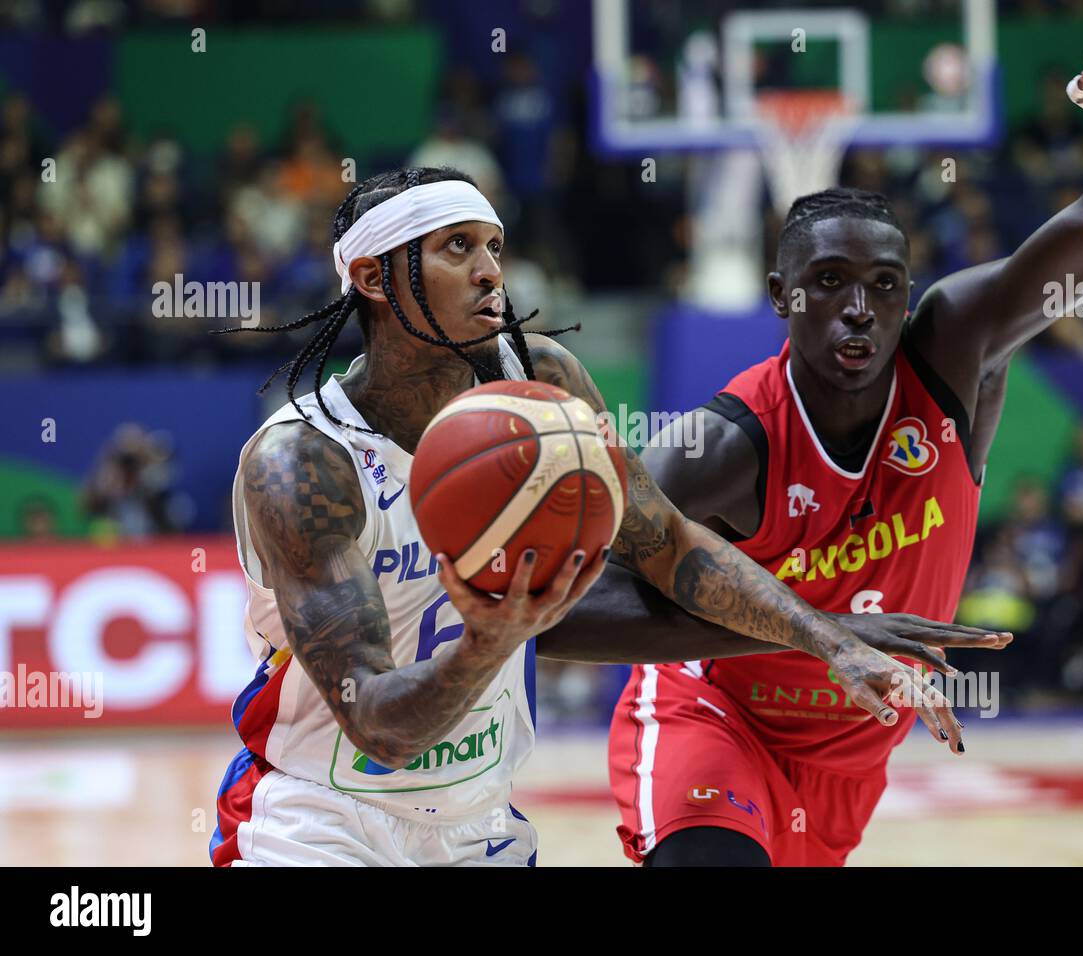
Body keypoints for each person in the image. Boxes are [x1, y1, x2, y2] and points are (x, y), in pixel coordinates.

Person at [208, 166, 994, 867]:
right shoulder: (305, 463)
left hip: (478, 826)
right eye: (456, 249)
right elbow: (377, 725)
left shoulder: (541, 382)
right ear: (377, 279)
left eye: (494, 245)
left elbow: (670, 547)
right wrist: (491, 643)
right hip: (318, 823)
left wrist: (829, 637)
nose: (490, 273)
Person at [602, 21, 1083, 866]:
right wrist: (814, 631)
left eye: (883, 286)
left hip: (847, 767)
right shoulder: (721, 448)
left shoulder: (955, 350)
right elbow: (566, 613)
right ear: (780, 296)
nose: (858, 309)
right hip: (709, 717)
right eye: (827, 282)